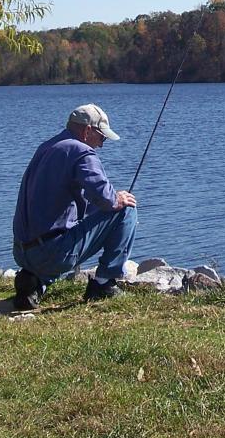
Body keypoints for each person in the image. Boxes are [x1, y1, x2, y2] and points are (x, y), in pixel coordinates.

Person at [12, 103, 137, 309]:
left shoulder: (47, 147)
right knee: (126, 209)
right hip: (51, 253)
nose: (102, 144)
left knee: (65, 233)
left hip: (22, 252)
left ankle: (35, 283)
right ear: (88, 131)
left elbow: (83, 204)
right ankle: (104, 284)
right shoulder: (82, 152)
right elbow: (106, 199)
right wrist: (118, 198)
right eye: (102, 137)